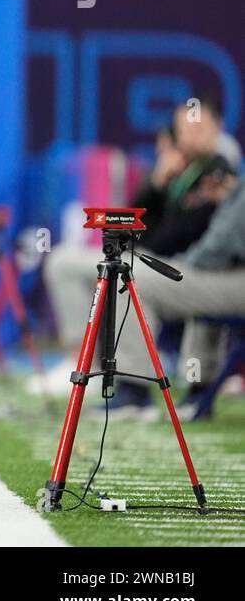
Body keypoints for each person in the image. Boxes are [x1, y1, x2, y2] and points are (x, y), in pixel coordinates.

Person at [43, 100, 244, 412]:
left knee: (126, 271)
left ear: (218, 129)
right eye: (183, 129)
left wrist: (146, 252)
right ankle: (86, 361)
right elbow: (138, 220)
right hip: (190, 264)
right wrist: (155, 184)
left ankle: (134, 386)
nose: (188, 137)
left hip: (203, 269)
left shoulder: (218, 172)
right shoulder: (183, 171)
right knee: (70, 263)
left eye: (198, 128)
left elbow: (198, 238)